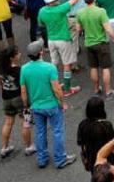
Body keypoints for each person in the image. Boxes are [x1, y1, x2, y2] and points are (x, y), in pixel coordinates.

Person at [20, 39, 77, 169]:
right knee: (57, 131)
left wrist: (26, 105)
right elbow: (57, 89)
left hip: (35, 106)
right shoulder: (49, 68)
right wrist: (62, 103)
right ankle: (60, 159)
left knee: (40, 132)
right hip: (52, 105)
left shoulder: (24, 69)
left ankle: (42, 159)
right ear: (41, 53)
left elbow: (23, 90)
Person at [38, 0, 89, 98]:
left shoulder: (42, 11)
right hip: (63, 40)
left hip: (51, 40)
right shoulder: (60, 9)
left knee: (54, 64)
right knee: (67, 65)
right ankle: (67, 89)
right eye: (56, 0)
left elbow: (41, 24)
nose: (58, 0)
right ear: (52, 2)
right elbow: (74, 0)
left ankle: (54, 86)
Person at [76, 0, 114, 100]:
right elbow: (108, 29)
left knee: (93, 67)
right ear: (95, 0)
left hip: (89, 43)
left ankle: (96, 90)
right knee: (105, 68)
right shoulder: (101, 11)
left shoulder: (80, 13)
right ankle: (108, 92)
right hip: (101, 43)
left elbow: (78, 29)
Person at [0, 45, 34, 158]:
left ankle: (4, 147)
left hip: (6, 98)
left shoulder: (0, 69)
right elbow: (23, 88)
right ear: (12, 58)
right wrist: (26, 103)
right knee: (25, 122)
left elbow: (0, 84)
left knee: (8, 122)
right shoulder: (19, 70)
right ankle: (29, 146)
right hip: (18, 98)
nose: (19, 54)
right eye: (17, 53)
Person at [77, 95, 114, 173]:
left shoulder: (82, 124)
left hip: (92, 158)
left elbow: (81, 143)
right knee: (110, 178)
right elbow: (113, 143)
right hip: (107, 157)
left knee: (97, 177)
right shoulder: (106, 125)